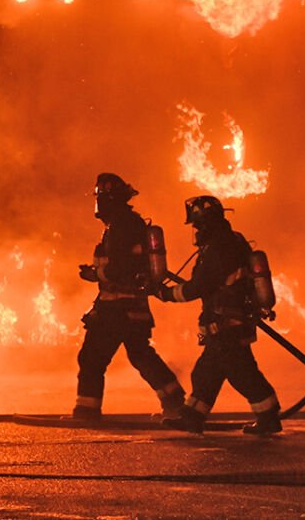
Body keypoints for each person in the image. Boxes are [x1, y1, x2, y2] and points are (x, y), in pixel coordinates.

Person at [153, 194, 281, 435]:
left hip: (227, 323)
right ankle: (192, 417)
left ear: (206, 223)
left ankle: (269, 416)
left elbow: (198, 286)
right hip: (230, 322)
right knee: (207, 373)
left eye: (197, 225)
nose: (196, 231)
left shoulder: (218, 248)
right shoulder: (231, 241)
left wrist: (165, 294)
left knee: (242, 374)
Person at [73, 172, 185, 421]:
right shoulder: (129, 223)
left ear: (108, 200)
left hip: (116, 309)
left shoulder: (120, 227)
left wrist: (94, 274)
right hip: (134, 307)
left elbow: (120, 267)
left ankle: (87, 411)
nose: (98, 203)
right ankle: (175, 401)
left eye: (100, 198)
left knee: (92, 358)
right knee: (141, 355)